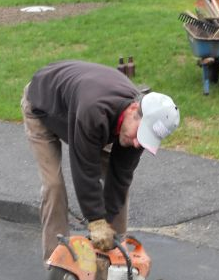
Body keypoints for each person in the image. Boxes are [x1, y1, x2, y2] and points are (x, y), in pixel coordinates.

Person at [21, 60, 180, 262]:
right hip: (43, 106)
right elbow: (85, 168)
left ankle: (115, 257)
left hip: (80, 114)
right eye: (140, 135)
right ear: (133, 110)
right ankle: (57, 264)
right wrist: (96, 221)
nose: (138, 144)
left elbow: (120, 176)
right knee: (54, 186)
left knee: (119, 186)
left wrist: (109, 224)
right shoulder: (94, 110)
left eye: (145, 139)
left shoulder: (136, 135)